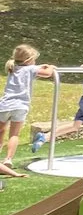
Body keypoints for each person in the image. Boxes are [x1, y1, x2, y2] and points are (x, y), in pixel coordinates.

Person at [0, 44, 55, 176]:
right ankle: (8, 159)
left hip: (5, 105)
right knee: (14, 134)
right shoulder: (31, 69)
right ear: (29, 60)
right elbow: (47, 74)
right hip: (20, 106)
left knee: (1, 130)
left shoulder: (12, 67)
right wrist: (51, 67)